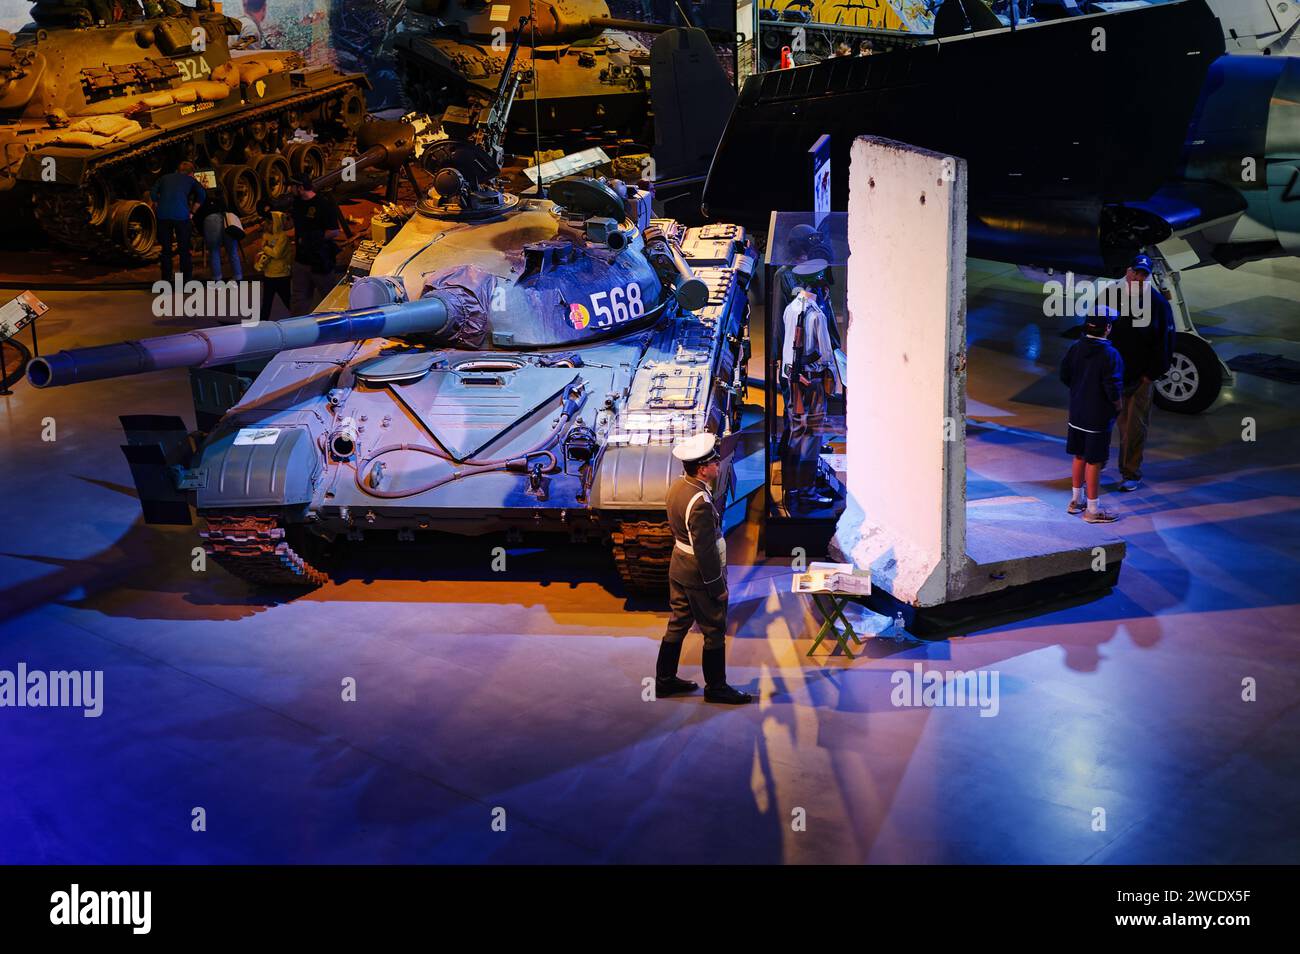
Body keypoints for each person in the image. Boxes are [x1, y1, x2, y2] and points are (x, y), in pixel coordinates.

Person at [656, 434, 752, 705]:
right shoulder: (699, 502)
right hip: (700, 574)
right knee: (714, 629)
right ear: (702, 468)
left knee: (678, 622)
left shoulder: (679, 487)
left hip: (679, 568)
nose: (717, 466)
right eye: (713, 463)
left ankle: (664, 681)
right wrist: (717, 587)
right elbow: (705, 551)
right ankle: (717, 687)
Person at [1108, 253, 1175, 492]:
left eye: (1143, 274)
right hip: (1114, 377)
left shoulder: (1157, 305)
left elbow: (1166, 342)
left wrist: (1151, 375)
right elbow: (1094, 328)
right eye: (1136, 272)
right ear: (1128, 272)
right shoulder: (1110, 296)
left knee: (1134, 428)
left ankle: (1130, 473)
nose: (1138, 277)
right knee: (1106, 424)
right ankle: (1093, 468)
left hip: (1140, 379)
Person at [781, 263, 842, 510]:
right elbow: (826, 355)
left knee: (797, 435)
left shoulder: (791, 308)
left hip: (793, 383)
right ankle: (807, 492)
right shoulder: (816, 314)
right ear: (821, 286)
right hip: (810, 384)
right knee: (812, 437)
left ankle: (793, 489)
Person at [1060, 306, 1124, 524]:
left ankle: (1075, 501)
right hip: (1097, 416)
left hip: (1077, 412)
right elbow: (1113, 385)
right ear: (1107, 328)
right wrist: (1118, 404)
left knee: (1079, 455)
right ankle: (1093, 510)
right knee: (1094, 461)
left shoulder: (1076, 347)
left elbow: (1065, 375)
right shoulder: (1110, 354)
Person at [288, 174, 346, 313]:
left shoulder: (324, 204)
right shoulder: (297, 203)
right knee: (298, 299)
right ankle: (298, 329)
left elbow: (334, 231)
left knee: (329, 299)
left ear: (301, 188)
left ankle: (334, 327)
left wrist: (311, 238)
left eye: (292, 186)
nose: (290, 189)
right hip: (301, 261)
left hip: (320, 261)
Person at [150, 160, 205, 283]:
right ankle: (186, 280)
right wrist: (192, 212)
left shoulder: (164, 178)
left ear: (178, 170)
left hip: (163, 217)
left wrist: (158, 205)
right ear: (191, 173)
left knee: (166, 250)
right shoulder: (190, 180)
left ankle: (166, 280)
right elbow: (202, 195)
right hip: (181, 217)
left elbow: (153, 192)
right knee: (184, 249)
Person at [195, 186, 243, 282]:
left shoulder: (200, 203)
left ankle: (217, 279)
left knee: (214, 252)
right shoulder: (219, 200)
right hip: (226, 220)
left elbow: (198, 220)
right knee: (232, 250)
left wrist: (203, 233)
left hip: (210, 222)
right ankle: (238, 277)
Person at [256, 210, 294, 322]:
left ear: (276, 223)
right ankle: (262, 323)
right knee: (266, 303)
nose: (266, 224)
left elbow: (276, 253)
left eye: (269, 222)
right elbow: (268, 252)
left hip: (281, 275)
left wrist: (265, 248)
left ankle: (299, 319)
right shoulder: (267, 235)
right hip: (268, 274)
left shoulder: (282, 237)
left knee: (287, 300)